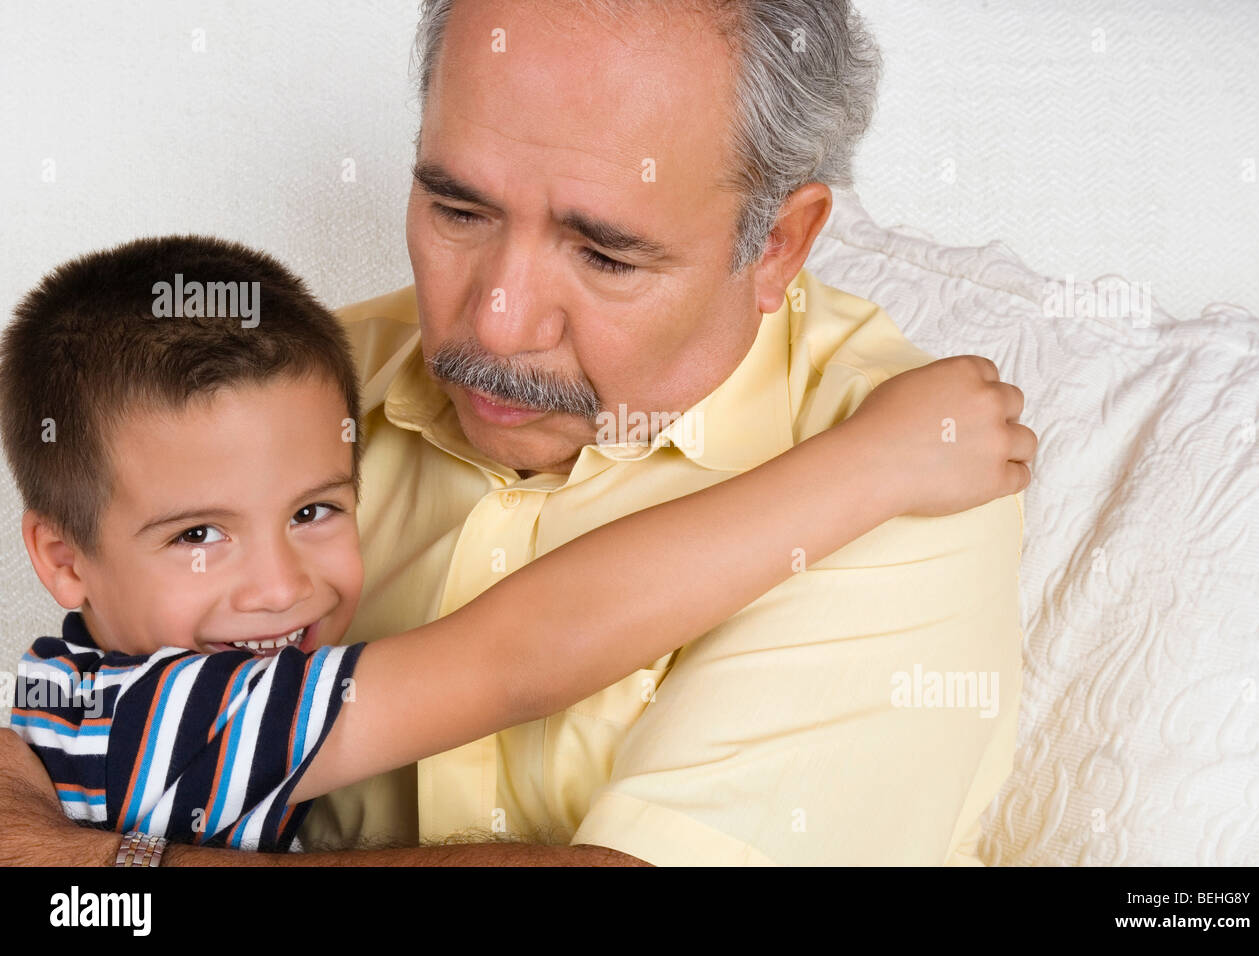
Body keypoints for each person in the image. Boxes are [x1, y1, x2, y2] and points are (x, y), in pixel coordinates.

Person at [0, 0, 1036, 865]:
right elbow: (518, 653)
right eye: (458, 211)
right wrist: (865, 469)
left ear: (779, 243)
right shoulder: (278, 408)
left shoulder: (912, 495)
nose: (494, 322)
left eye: (603, 254)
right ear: (60, 556)